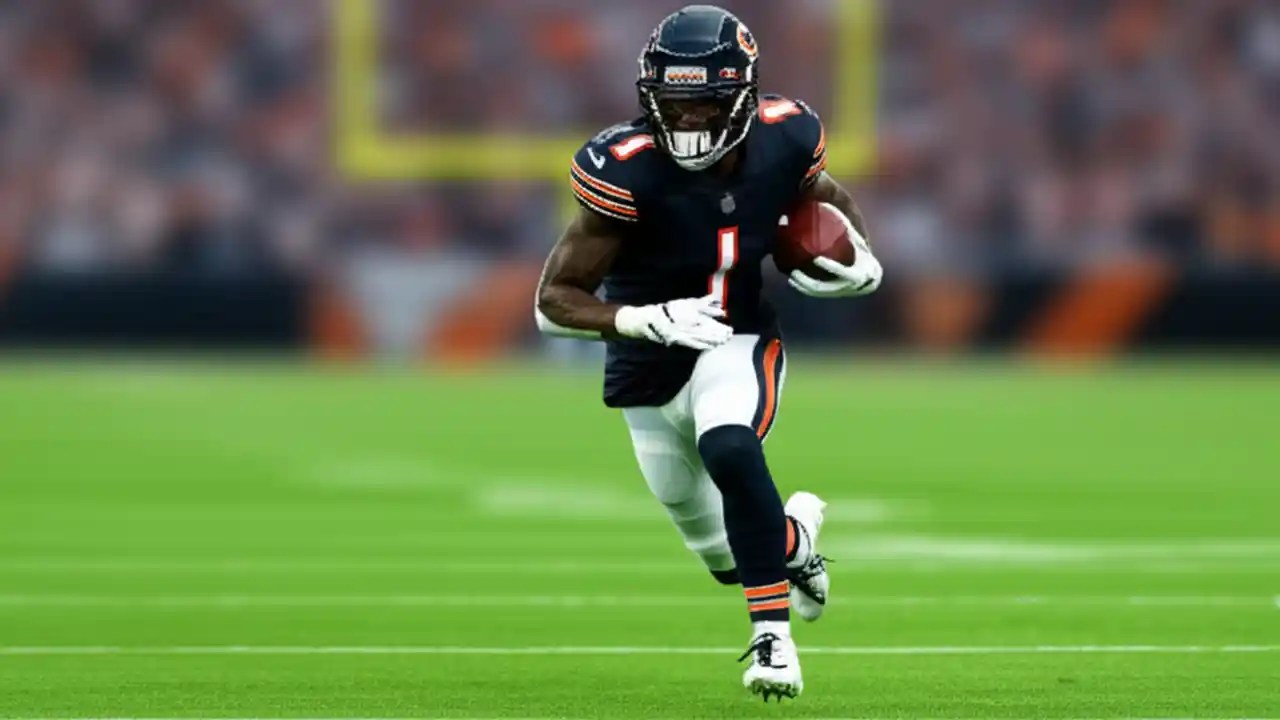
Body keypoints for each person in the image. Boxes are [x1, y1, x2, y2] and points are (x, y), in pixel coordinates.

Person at [534, 4, 883, 700]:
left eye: (703, 105)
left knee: (730, 447)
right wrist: (641, 320)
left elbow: (824, 200)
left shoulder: (787, 138)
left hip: (736, 337)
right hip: (645, 364)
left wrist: (860, 256)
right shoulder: (625, 168)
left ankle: (772, 642)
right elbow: (553, 302)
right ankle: (794, 543)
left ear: (742, 100)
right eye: (673, 104)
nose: (688, 120)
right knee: (727, 555)